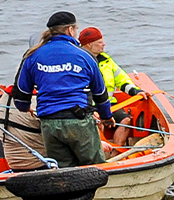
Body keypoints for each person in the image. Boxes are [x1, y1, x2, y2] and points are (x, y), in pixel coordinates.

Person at [12, 12, 113, 168]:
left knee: (64, 171)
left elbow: (19, 96)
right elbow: (100, 93)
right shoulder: (84, 56)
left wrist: (25, 108)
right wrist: (106, 116)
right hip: (79, 122)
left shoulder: (32, 55)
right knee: (94, 168)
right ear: (71, 30)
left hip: (49, 124)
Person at [78, 27, 140, 149]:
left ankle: (116, 152)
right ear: (89, 45)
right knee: (97, 123)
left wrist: (136, 92)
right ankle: (100, 153)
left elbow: (122, 80)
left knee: (126, 121)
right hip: (88, 106)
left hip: (109, 104)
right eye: (100, 42)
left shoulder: (107, 61)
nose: (104, 44)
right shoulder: (79, 61)